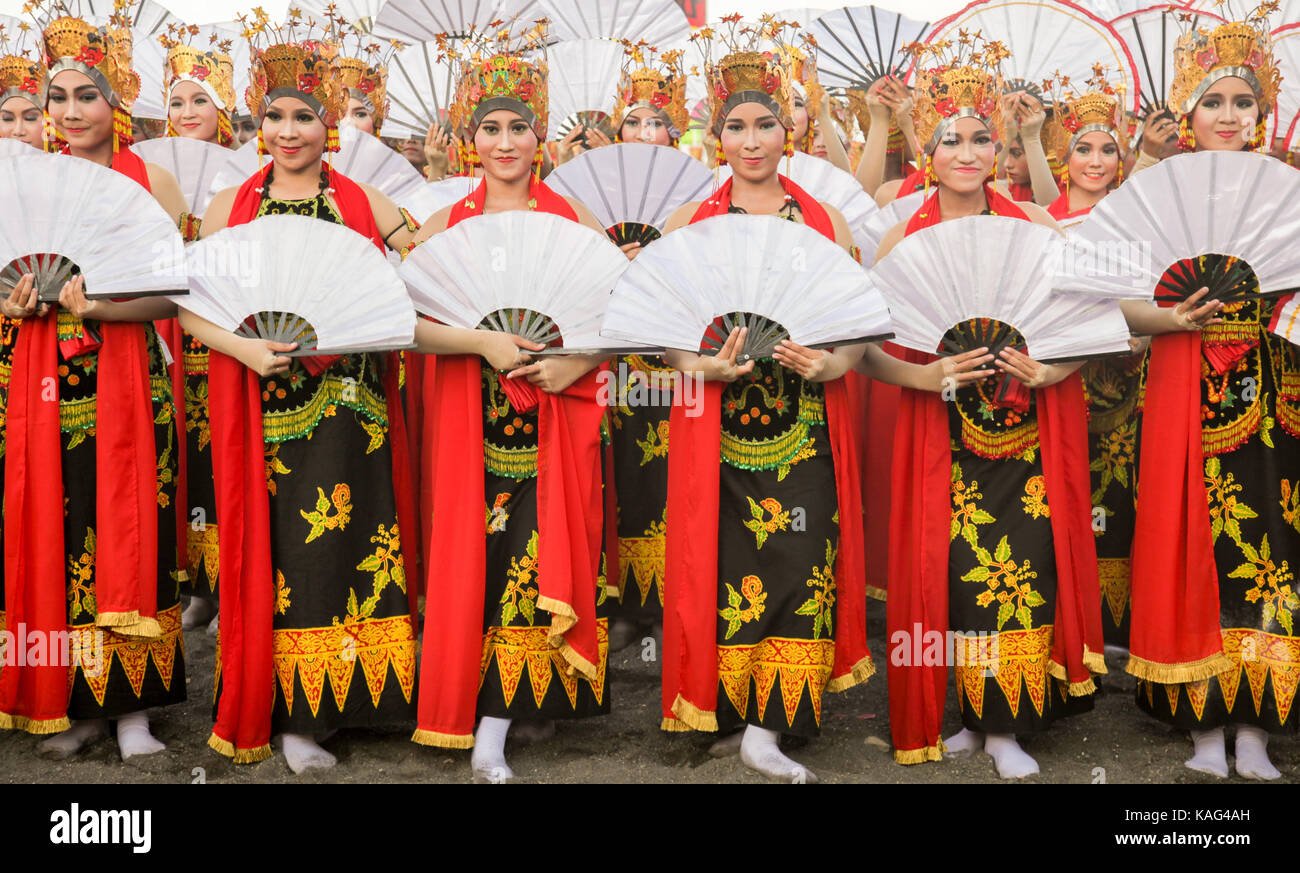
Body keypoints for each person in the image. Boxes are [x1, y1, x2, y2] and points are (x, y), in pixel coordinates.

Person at [181, 21, 421, 774]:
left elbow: (427, 282)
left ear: (331, 125)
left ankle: (344, 703)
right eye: (275, 116)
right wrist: (246, 349)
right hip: (263, 409)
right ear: (258, 123)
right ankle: (289, 717)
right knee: (284, 557)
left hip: (355, 412)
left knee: (350, 551)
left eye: (305, 116)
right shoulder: (228, 207)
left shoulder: (370, 205)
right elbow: (188, 307)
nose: (289, 131)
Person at [876, 39, 1107, 778]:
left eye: (981, 138)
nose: (968, 152)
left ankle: (1008, 724)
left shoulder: (1037, 225)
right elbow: (862, 349)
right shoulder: (900, 235)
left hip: (1025, 434)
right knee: (952, 569)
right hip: (939, 431)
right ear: (929, 149)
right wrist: (924, 376)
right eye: (952, 140)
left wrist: (1052, 368)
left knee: (1022, 568)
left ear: (999, 144)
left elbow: (1094, 328)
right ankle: (974, 716)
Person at [652, 24, 876, 784]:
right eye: (736, 127)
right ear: (717, 138)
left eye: (766, 124)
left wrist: (827, 363)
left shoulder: (824, 224)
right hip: (714, 427)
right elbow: (656, 338)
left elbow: (856, 339)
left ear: (791, 129)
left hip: (803, 424)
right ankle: (728, 711)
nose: (752, 140)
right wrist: (700, 365)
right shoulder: (690, 225)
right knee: (716, 565)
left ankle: (770, 723)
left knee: (798, 562)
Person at [407, 28, 616, 783]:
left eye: (517, 127)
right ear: (469, 139)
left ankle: (493, 725)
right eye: (489, 128)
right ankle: (489, 704)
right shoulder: (444, 226)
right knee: (479, 563)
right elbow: (407, 324)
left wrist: (578, 360)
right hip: (472, 422)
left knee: (534, 558)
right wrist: (480, 341)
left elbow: (620, 318)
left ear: (538, 137)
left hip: (552, 423)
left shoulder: (573, 223)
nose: (504, 141)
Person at [0, 9, 188, 761]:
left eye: (87, 95)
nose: (71, 112)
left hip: (126, 384)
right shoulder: (23, 183)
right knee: (57, 530)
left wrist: (102, 307)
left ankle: (134, 709)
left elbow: (173, 293)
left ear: (116, 102)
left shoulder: (153, 181)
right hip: (41, 380)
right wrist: (15, 298)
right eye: (59, 98)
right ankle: (72, 702)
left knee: (127, 532)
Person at [1122, 8, 1298, 780]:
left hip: (1273, 384)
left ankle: (1256, 725)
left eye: (1243, 103)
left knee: (1268, 546)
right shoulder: (1156, 190)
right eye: (1214, 102)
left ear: (1262, 114)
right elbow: (1108, 295)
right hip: (1179, 380)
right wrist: (1169, 315)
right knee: (1184, 536)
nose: (1229, 116)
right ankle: (1200, 725)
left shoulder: (1287, 187)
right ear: (1187, 113)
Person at [158, 29, 242, 632]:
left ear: (224, 110)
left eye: (200, 102)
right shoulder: (152, 173)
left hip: (225, 329)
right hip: (168, 331)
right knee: (182, 456)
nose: (188, 114)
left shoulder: (248, 176)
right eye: (178, 103)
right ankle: (198, 588)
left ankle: (230, 582)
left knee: (223, 455)